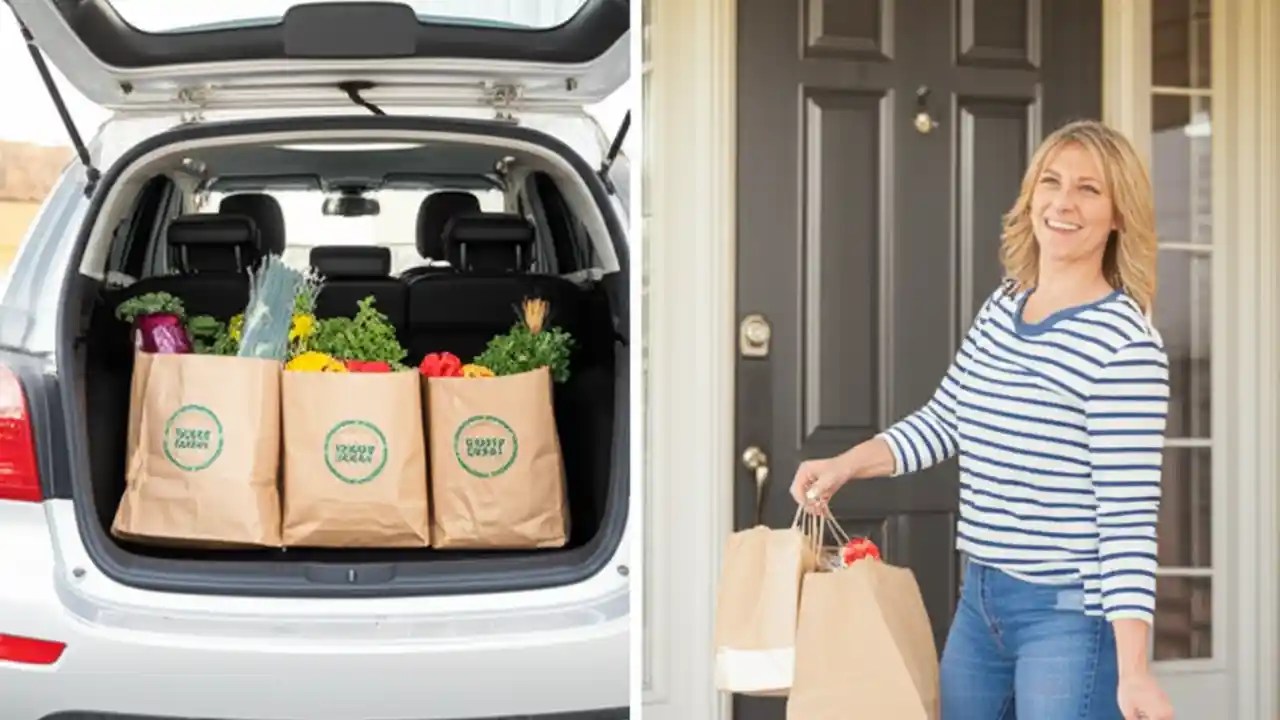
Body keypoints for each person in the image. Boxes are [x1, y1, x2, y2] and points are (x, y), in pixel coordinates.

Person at [790, 119, 1174, 720]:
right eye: (1051, 182)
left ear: (1119, 214)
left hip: (1069, 620)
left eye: (1089, 190)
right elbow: (947, 418)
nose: (1063, 202)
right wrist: (845, 466)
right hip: (981, 605)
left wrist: (1134, 672)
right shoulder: (1004, 305)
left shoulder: (1125, 347)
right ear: (1031, 197)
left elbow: (1127, 522)